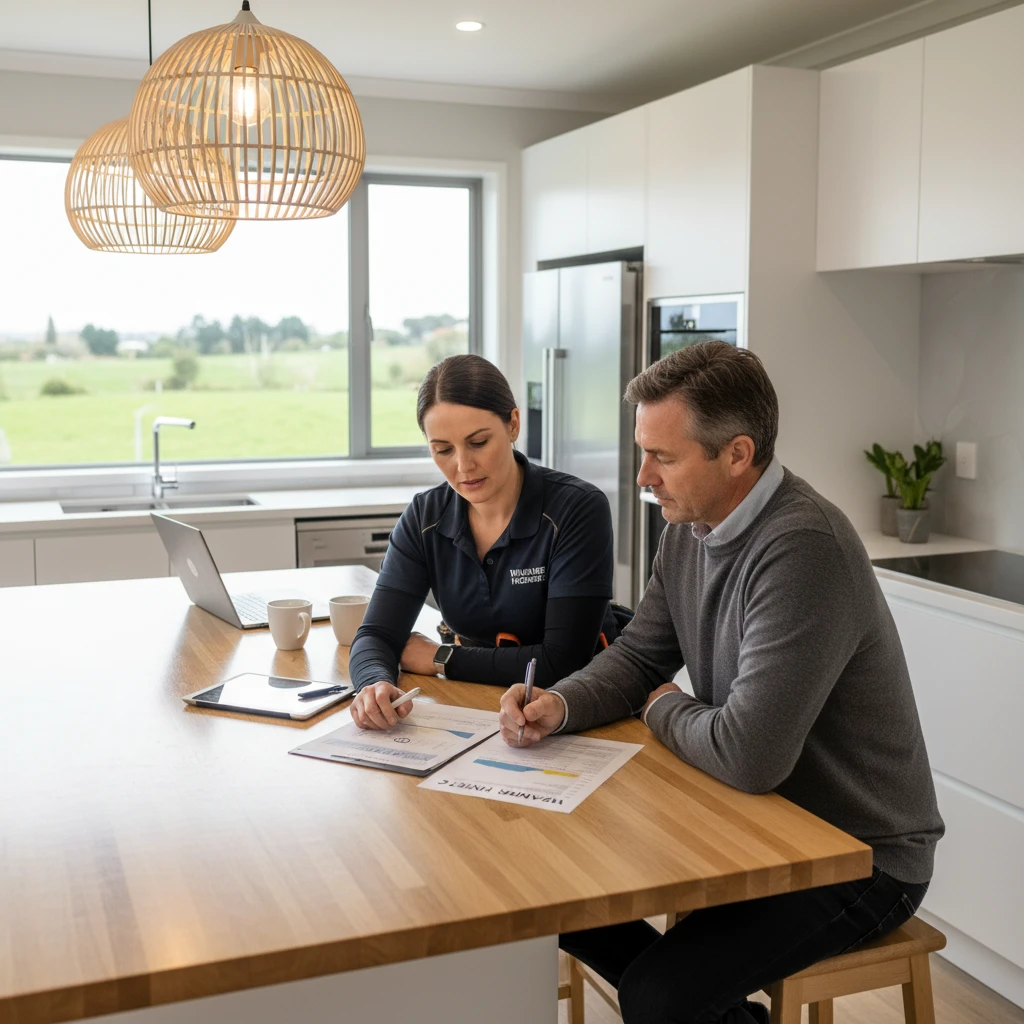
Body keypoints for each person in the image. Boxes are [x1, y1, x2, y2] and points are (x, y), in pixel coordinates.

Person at [498, 340, 945, 1024]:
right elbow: (640, 655)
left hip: (858, 854)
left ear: (736, 455)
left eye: (664, 457)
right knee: (551, 897)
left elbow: (748, 755)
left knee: (657, 995)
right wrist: (559, 704)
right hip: (762, 824)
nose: (644, 474)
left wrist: (666, 707)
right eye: (644, 451)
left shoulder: (803, 547)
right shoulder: (691, 524)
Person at [348, 353, 620, 730]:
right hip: (474, 704)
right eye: (443, 450)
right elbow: (377, 634)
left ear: (513, 424)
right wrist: (373, 684)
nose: (463, 466)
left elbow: (562, 661)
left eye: (478, 442)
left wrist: (439, 658)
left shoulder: (577, 509)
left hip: (575, 713)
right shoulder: (425, 517)